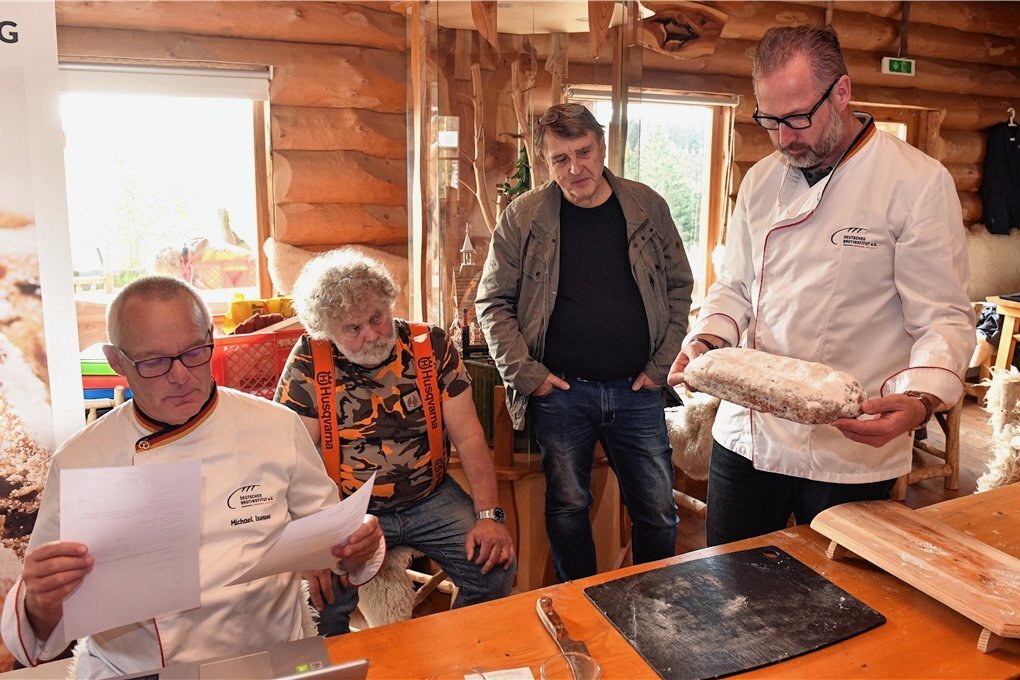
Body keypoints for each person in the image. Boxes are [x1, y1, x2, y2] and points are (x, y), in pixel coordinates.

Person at [667, 25, 975, 546]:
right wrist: (707, 342)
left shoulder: (917, 183)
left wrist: (922, 400)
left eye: (798, 118)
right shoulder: (763, 179)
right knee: (730, 591)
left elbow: (942, 317)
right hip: (749, 438)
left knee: (840, 604)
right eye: (771, 121)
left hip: (851, 449)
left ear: (842, 92)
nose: (786, 137)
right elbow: (735, 287)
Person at [0, 276, 384, 677]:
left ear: (211, 337)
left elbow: (335, 542)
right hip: (137, 670)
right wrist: (40, 604)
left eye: (194, 353)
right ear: (117, 362)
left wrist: (359, 545)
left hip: (271, 657)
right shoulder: (81, 458)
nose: (180, 376)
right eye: (153, 362)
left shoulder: (275, 426)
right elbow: (38, 627)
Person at [475, 103, 694, 581]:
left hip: (638, 390)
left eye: (584, 153)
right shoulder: (524, 216)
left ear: (602, 146)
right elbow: (491, 302)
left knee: (657, 510)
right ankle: (583, 604)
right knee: (568, 506)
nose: (575, 170)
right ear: (545, 163)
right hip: (562, 394)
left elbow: (679, 287)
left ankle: (655, 605)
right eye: (560, 159)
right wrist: (528, 377)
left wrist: (660, 367)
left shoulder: (646, 206)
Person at [274, 249, 516, 636]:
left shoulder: (430, 345)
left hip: (430, 496)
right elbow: (291, 459)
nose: (371, 334)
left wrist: (490, 517)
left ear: (389, 303)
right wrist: (309, 542)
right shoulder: (309, 359)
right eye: (353, 329)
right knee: (320, 597)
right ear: (327, 331)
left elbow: (470, 436)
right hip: (346, 506)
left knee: (494, 567)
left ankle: (461, 652)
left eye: (377, 317)